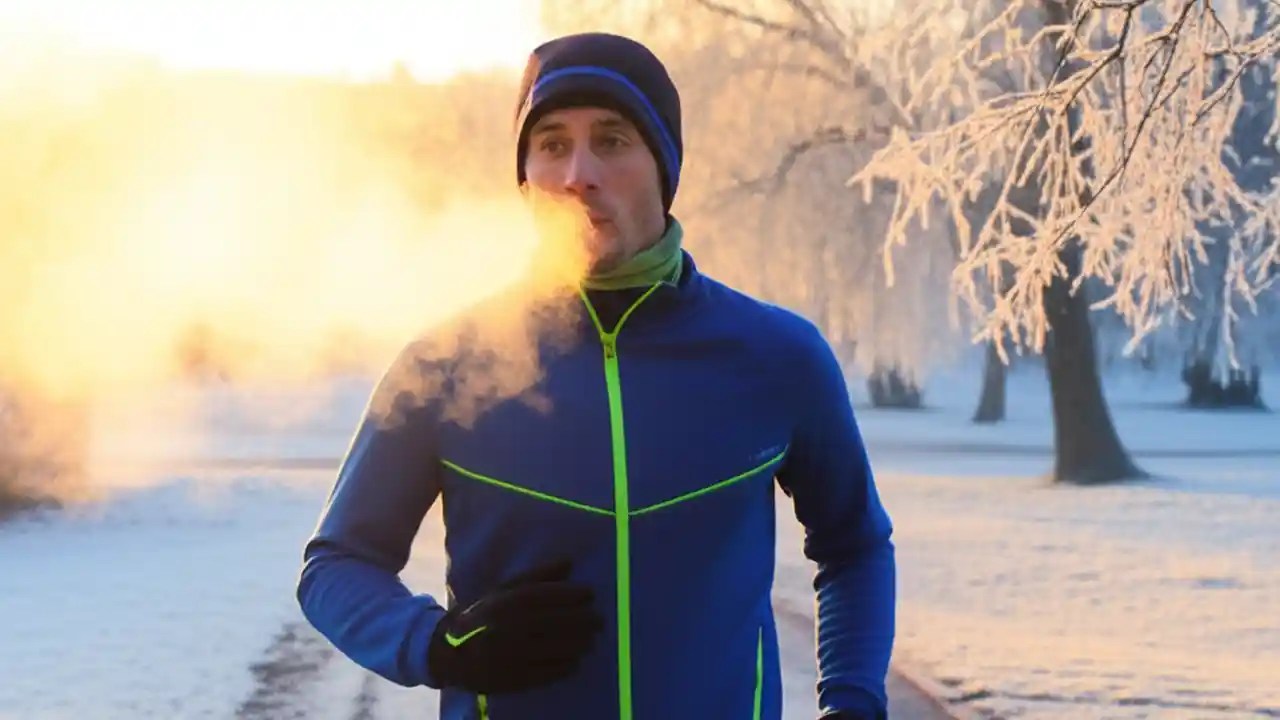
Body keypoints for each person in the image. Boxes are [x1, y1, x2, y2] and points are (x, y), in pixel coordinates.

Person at [297, 31, 895, 720]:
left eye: (611, 140)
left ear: (664, 166)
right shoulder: (446, 365)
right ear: (526, 179)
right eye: (552, 144)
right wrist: (436, 644)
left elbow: (854, 547)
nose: (578, 173)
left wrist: (853, 702)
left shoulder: (776, 356)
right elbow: (335, 566)